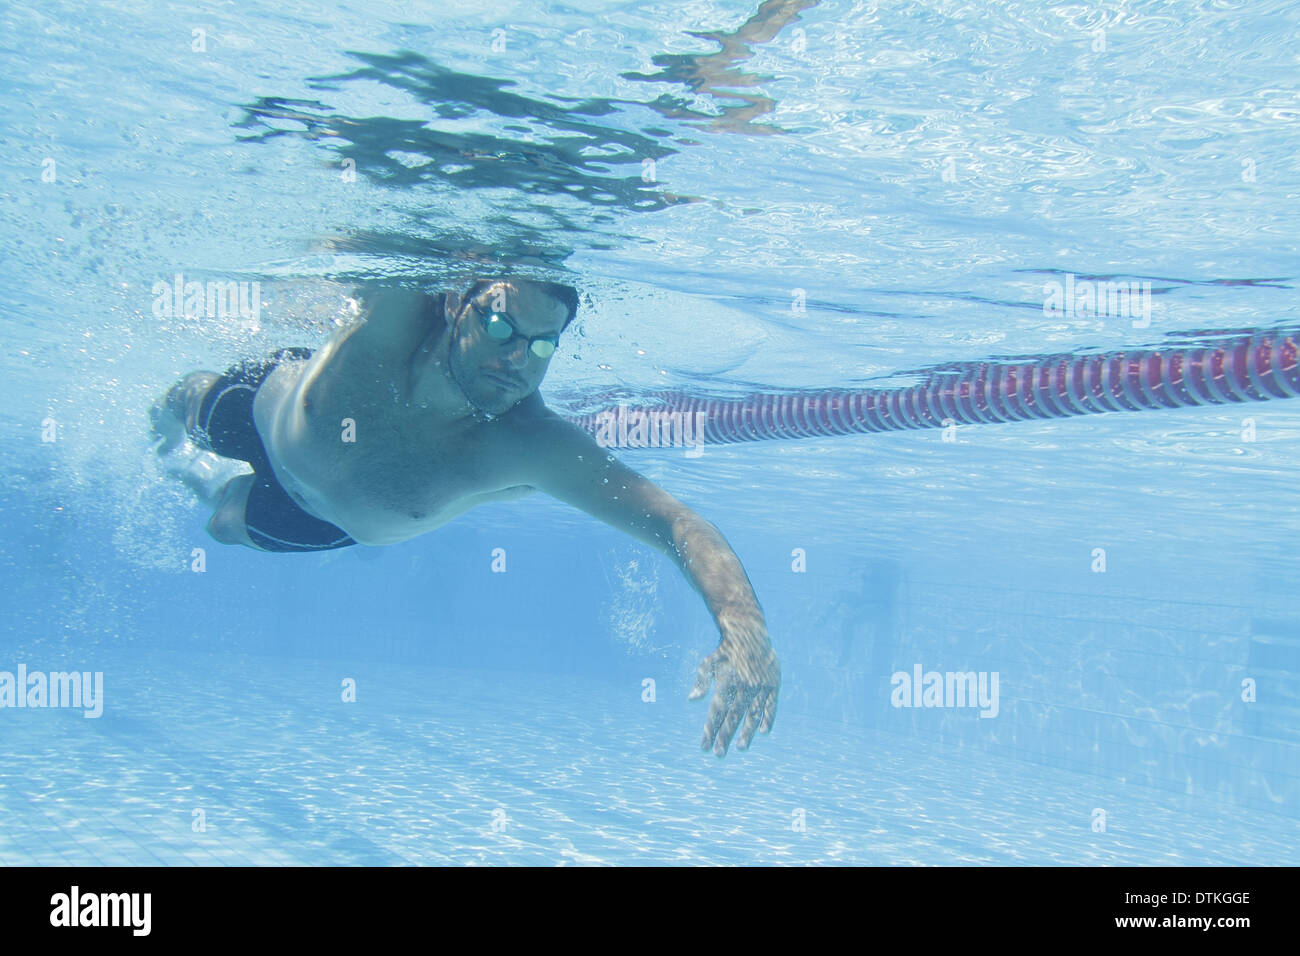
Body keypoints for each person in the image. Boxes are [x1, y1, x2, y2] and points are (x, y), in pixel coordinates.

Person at [150, 278, 780, 756]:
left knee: (224, 523)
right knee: (182, 403)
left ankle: (192, 477)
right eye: (504, 330)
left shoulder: (533, 444)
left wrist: (743, 626)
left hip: (325, 522)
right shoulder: (396, 312)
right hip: (264, 412)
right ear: (456, 306)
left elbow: (679, 525)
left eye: (541, 346)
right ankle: (156, 448)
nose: (517, 362)